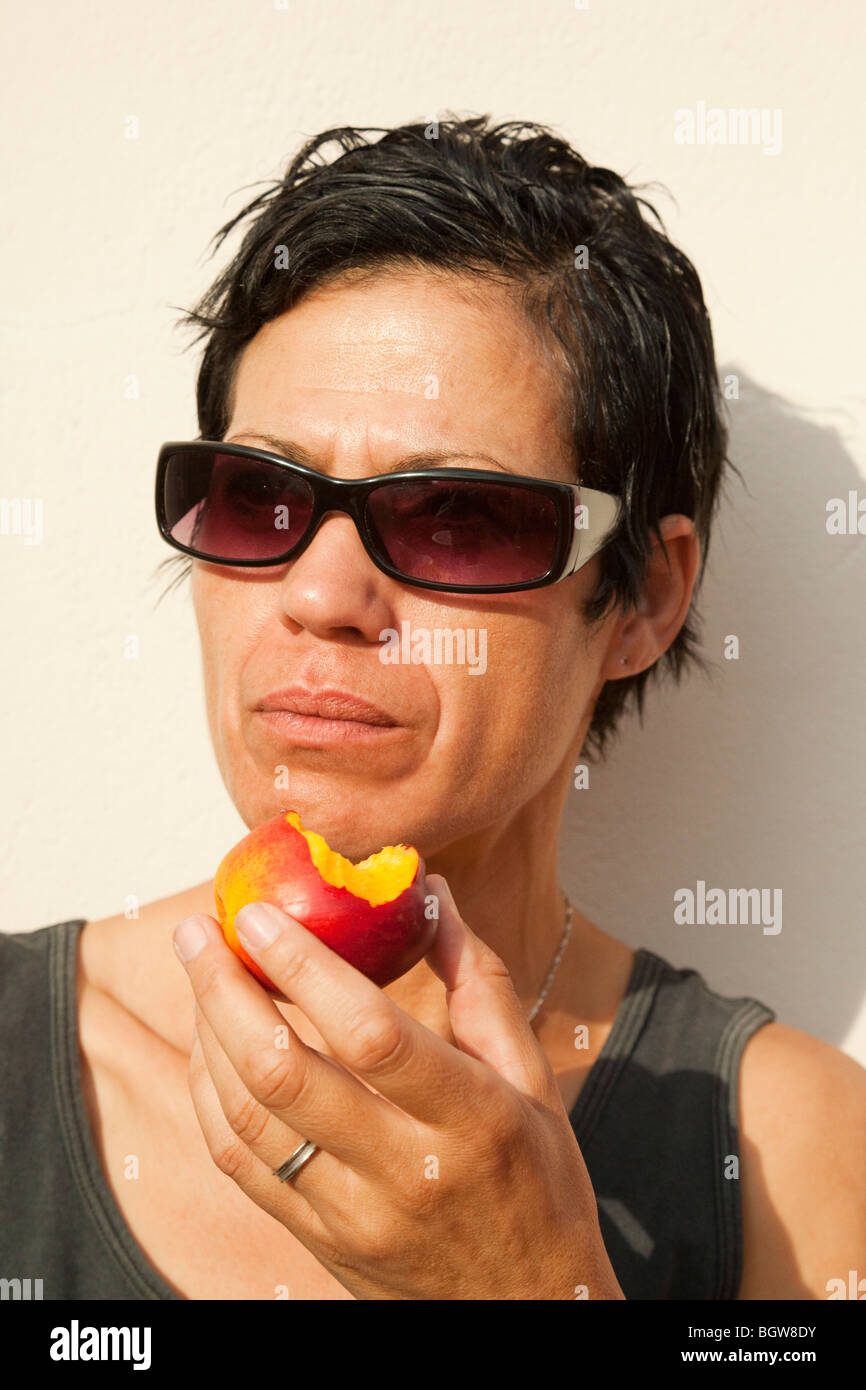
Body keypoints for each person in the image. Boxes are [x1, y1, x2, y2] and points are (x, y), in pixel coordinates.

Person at [2, 116, 864, 1302]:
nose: (318, 595)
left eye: (456, 516)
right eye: (256, 498)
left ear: (641, 598)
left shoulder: (795, 1159)